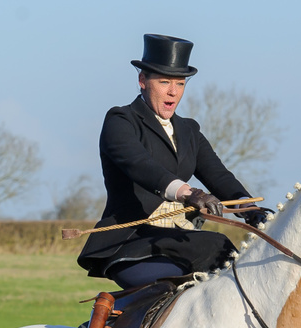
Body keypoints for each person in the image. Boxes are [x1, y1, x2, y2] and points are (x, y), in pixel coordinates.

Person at [78, 34, 267, 291]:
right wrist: (188, 193)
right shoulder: (120, 121)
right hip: (133, 242)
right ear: (142, 81)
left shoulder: (190, 131)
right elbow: (140, 165)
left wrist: (250, 208)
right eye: (164, 82)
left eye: (180, 83)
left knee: (226, 254)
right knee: (212, 250)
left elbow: (219, 175)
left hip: (181, 240)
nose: (173, 91)